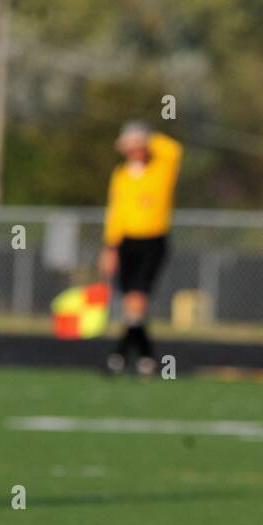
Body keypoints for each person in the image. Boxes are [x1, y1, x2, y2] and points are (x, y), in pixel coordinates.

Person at [98, 121, 182, 376]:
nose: (136, 150)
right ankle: (145, 358)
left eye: (138, 145)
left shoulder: (161, 168)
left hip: (152, 242)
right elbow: (115, 213)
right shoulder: (121, 175)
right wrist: (110, 248)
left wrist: (145, 136)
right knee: (131, 305)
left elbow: (174, 149)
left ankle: (118, 355)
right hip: (126, 243)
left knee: (137, 300)